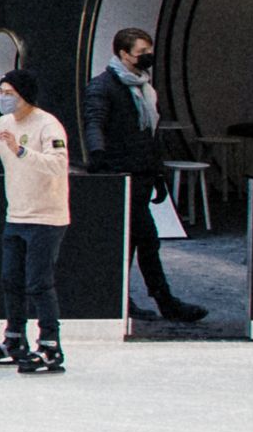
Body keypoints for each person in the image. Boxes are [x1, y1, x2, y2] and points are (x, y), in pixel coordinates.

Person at [87, 27, 207, 325]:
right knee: (144, 240)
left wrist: (157, 174)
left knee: (138, 241)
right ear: (123, 54)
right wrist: (99, 158)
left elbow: (149, 136)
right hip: (121, 174)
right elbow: (95, 122)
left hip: (140, 174)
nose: (147, 57)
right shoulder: (104, 87)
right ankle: (162, 301)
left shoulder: (144, 88)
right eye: (142, 53)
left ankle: (129, 300)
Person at [0, 71, 77, 374]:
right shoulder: (4, 123)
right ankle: (14, 338)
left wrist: (21, 151)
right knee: (11, 280)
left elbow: (58, 165)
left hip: (46, 217)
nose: (3, 97)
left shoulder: (47, 125)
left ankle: (50, 345)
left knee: (39, 282)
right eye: (1, 91)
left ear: (25, 94)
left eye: (9, 91)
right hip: (17, 215)